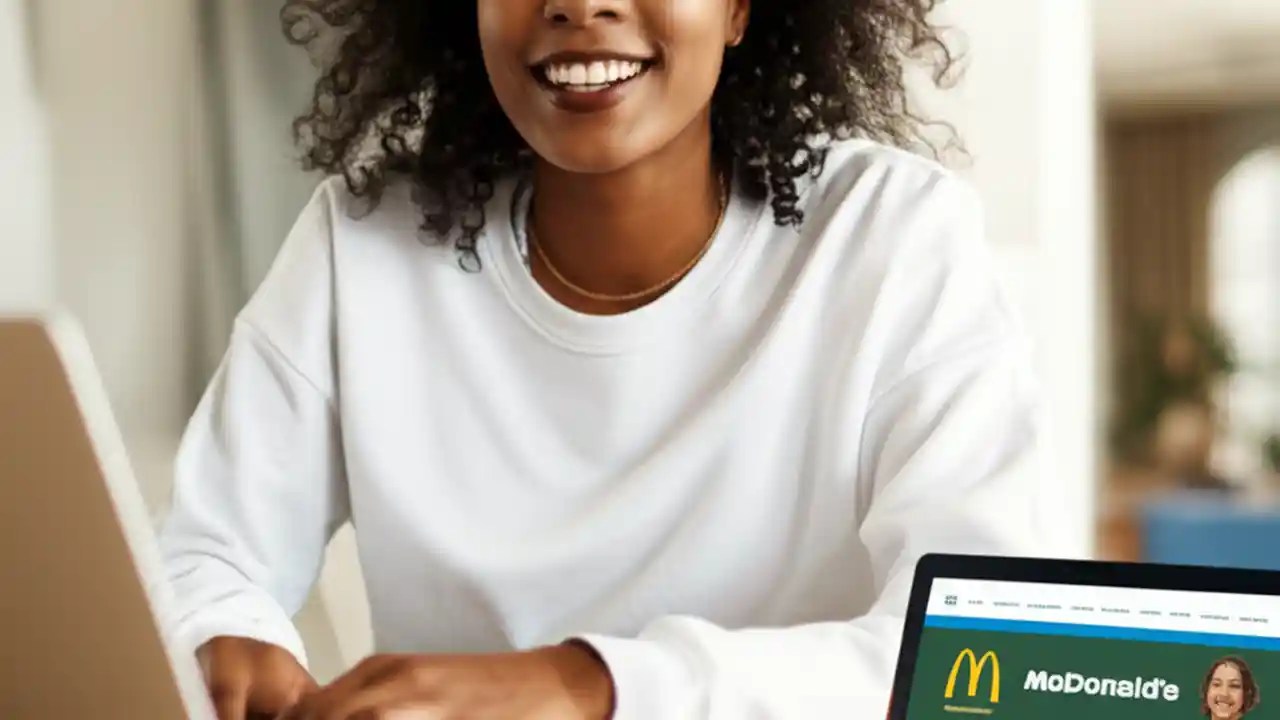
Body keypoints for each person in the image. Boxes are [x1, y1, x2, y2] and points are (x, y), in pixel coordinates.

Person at [159, 1, 1045, 718]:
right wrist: (223, 634)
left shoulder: (889, 239)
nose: (580, 6)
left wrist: (589, 686)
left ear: (740, 8)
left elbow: (994, 659)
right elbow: (204, 556)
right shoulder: (360, 247)